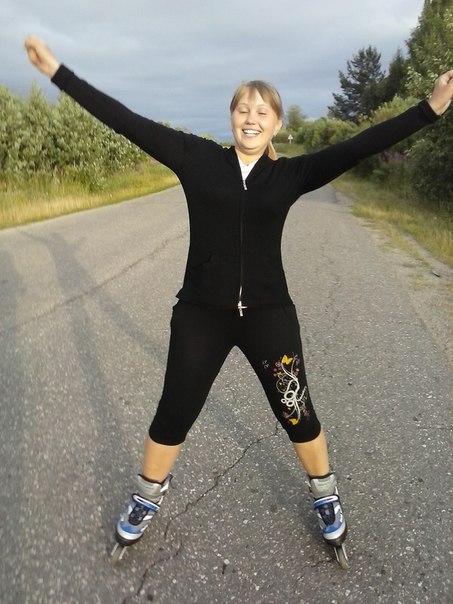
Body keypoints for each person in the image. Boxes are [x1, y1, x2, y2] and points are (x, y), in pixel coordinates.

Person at [24, 35, 453, 564]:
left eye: (262, 111)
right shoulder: (196, 158)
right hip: (200, 315)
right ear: (231, 117)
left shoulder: (290, 174)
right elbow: (126, 121)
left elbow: (359, 146)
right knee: (173, 412)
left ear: (276, 123)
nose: (251, 118)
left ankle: (325, 493)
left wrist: (430, 109)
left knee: (297, 411)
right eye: (243, 109)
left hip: (268, 317)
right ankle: (147, 495)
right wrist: (58, 72)